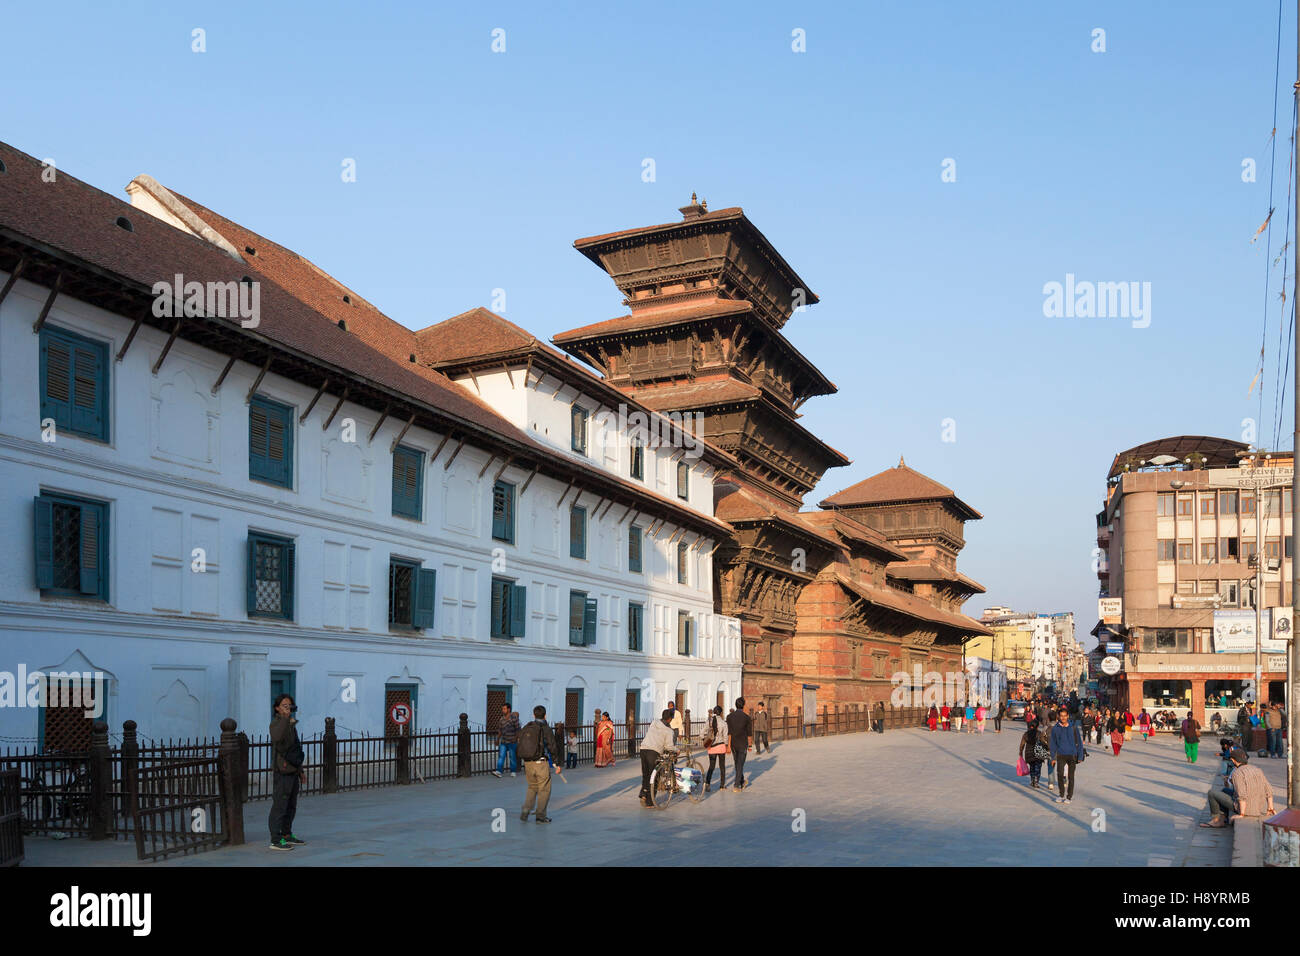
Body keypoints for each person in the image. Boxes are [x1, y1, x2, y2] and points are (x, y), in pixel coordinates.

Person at [268, 693, 307, 851]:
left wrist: (301, 771)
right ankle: (275, 839)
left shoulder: (291, 724)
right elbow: (277, 737)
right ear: (277, 708)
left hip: (293, 770)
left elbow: (295, 749)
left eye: (289, 705)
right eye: (284, 705)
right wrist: (285, 718)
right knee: (280, 805)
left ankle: (286, 834)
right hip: (282, 771)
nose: (288, 708)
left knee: (291, 806)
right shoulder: (276, 724)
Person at [1201, 748, 1275, 828]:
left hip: (1246, 810)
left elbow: (1242, 795)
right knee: (1225, 790)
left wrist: (1241, 814)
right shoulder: (1257, 770)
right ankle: (1222, 818)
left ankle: (1216, 821)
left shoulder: (1237, 773)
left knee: (1212, 793)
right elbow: (1269, 790)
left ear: (1233, 760)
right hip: (1258, 808)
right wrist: (1270, 808)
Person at [519, 704, 560, 823]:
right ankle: (540, 816)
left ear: (534, 715)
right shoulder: (545, 728)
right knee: (544, 789)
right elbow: (552, 746)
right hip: (540, 763)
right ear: (545, 715)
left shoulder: (528, 726)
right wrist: (556, 763)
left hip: (528, 762)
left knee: (532, 787)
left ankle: (525, 810)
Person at [639, 708, 676, 808]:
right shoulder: (669, 731)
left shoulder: (654, 722)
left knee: (646, 774)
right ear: (670, 719)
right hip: (653, 752)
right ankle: (650, 802)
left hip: (643, 749)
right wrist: (676, 750)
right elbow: (669, 746)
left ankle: (643, 793)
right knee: (655, 776)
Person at [1049, 706, 1083, 803]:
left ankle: (1069, 797)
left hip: (1072, 754)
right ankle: (1061, 795)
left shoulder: (1073, 727)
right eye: (1061, 716)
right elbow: (1053, 744)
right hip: (1061, 754)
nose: (1063, 718)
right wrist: (1053, 757)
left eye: (1065, 716)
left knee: (1071, 777)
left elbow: (1079, 742)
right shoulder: (1055, 728)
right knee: (1060, 774)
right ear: (1058, 717)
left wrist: (1080, 755)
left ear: (1068, 716)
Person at [726, 696, 753, 791]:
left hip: (733, 744)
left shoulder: (729, 717)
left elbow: (729, 733)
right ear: (743, 705)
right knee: (740, 764)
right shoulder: (747, 718)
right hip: (743, 744)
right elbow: (749, 734)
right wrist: (750, 745)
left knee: (737, 763)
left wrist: (728, 746)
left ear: (735, 705)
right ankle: (736, 785)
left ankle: (742, 781)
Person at [703, 705, 729, 792]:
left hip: (712, 747)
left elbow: (701, 733)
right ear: (721, 713)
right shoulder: (724, 723)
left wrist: (705, 740)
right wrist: (726, 745)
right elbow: (725, 737)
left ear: (714, 712)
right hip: (721, 746)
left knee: (711, 766)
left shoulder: (709, 722)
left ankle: (707, 783)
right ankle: (722, 785)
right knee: (722, 767)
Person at [492, 703, 520, 778]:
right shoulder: (502, 719)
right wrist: (497, 739)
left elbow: (518, 729)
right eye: (502, 709)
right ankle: (499, 771)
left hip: (512, 741)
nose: (503, 710)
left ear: (509, 709)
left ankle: (513, 771)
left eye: (504, 709)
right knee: (501, 756)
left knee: (512, 757)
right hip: (504, 741)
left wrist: (516, 738)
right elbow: (500, 730)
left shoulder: (514, 718)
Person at [1019, 723, 1046, 789]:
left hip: (1029, 753)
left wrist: (1021, 752)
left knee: (1032, 767)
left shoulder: (1026, 734)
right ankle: (1036, 782)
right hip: (1038, 752)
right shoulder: (1039, 733)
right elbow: (1043, 742)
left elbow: (1022, 744)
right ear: (1037, 726)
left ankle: (1032, 780)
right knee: (1038, 768)